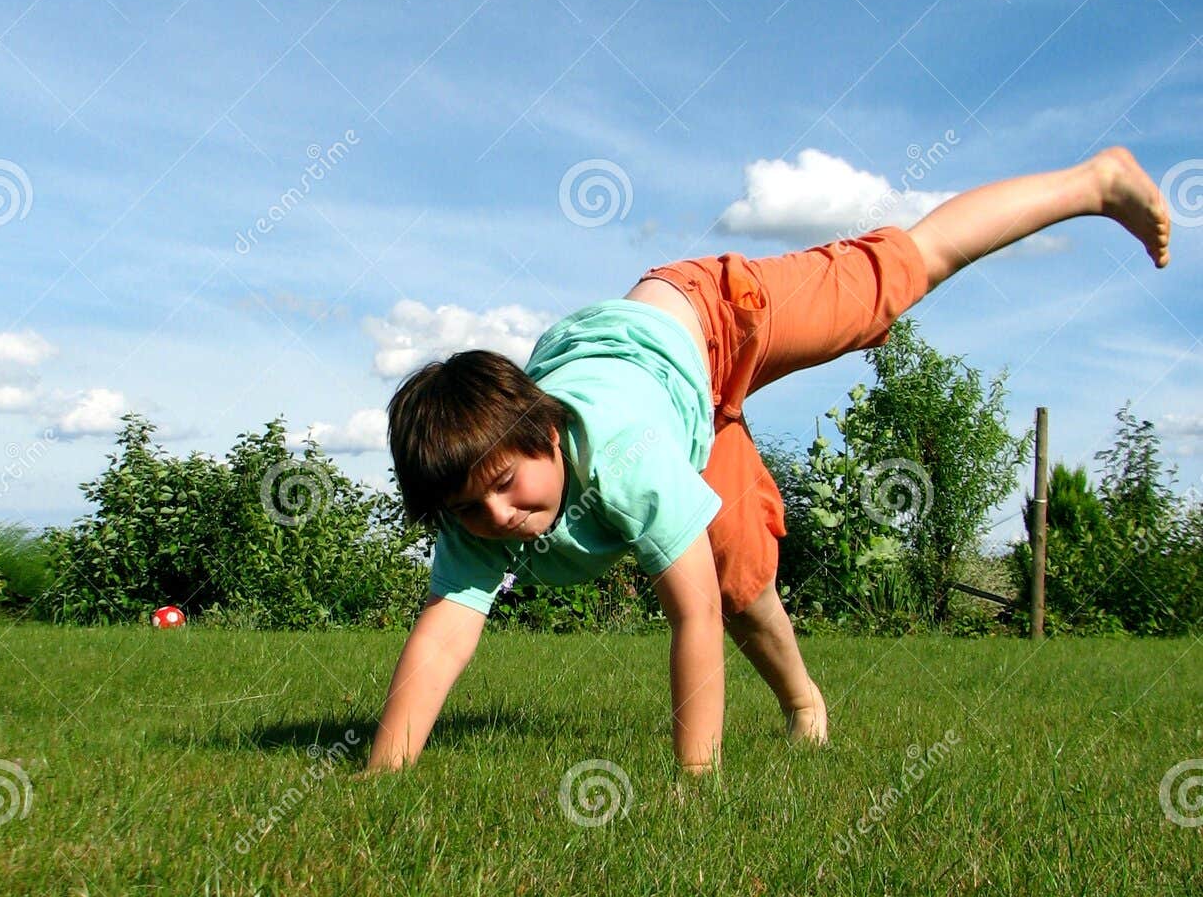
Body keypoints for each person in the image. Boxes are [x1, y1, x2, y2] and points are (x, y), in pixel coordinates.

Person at [366, 147, 1171, 777]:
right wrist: (383, 778)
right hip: (684, 411)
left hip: (715, 316)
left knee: (897, 276)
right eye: (474, 510)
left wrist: (694, 786)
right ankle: (806, 705)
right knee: (738, 578)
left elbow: (687, 619)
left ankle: (1094, 182)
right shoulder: (474, 496)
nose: (499, 518)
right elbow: (444, 636)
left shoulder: (620, 458)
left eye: (506, 488)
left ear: (545, 435)